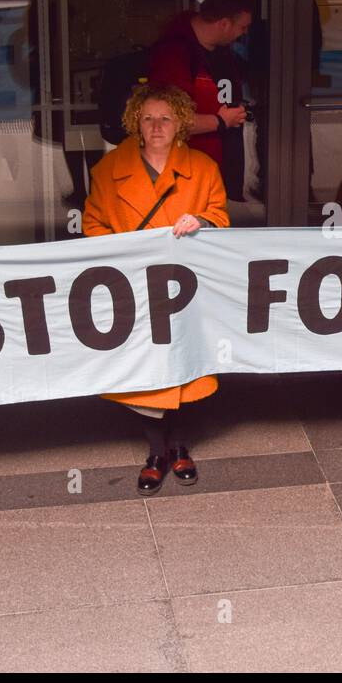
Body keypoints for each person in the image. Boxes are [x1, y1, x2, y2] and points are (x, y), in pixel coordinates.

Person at [83, 82, 229, 493]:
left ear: (180, 122)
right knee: (144, 368)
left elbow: (220, 215)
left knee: (184, 365)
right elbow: (93, 224)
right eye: (148, 118)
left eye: (165, 117)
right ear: (136, 123)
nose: (157, 126)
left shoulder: (203, 167)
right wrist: (120, 254)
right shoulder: (108, 171)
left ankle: (179, 446)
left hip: (186, 286)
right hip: (134, 285)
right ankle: (156, 451)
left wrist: (202, 221)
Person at [148, 0, 253, 194]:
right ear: (224, 24)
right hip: (188, 180)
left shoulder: (218, 49)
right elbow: (166, 121)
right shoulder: (174, 54)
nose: (243, 34)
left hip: (215, 172)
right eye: (242, 27)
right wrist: (221, 121)